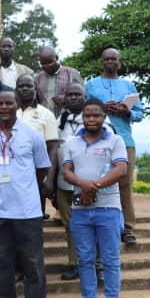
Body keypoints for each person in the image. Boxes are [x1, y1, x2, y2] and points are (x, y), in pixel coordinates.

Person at [0, 90, 51, 298]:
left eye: (9, 103)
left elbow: (41, 170)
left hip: (27, 211)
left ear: (17, 105)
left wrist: (24, 188)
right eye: (0, 103)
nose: (4, 107)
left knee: (32, 263)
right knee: (2, 264)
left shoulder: (32, 136)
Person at [63, 98, 128, 298]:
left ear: (103, 117)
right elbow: (67, 170)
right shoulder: (72, 142)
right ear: (82, 116)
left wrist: (94, 187)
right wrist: (83, 185)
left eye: (96, 115)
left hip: (108, 209)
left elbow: (121, 169)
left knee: (110, 261)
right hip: (80, 211)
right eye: (87, 115)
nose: (91, 119)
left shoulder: (115, 140)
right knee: (85, 261)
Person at [48, 83, 111, 281]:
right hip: (65, 183)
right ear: (65, 98)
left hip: (93, 184)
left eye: (78, 94)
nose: (74, 98)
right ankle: (74, 263)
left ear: (84, 97)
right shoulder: (61, 119)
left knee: (96, 222)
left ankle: (98, 266)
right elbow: (55, 150)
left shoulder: (98, 120)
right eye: (70, 95)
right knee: (71, 225)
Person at [86, 48, 143, 245]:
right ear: (102, 62)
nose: (110, 62)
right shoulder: (91, 84)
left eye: (114, 59)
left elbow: (140, 113)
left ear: (119, 62)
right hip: (97, 140)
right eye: (107, 59)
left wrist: (126, 111)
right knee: (98, 183)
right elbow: (85, 111)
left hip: (125, 140)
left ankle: (127, 229)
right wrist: (103, 108)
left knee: (125, 185)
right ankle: (100, 226)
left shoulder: (128, 85)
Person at [15, 74, 58, 218]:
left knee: (35, 219)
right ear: (16, 89)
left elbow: (52, 148)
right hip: (12, 175)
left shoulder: (46, 114)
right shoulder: (8, 112)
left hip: (36, 175)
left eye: (29, 86)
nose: (25, 89)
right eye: (21, 86)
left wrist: (49, 179)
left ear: (35, 89)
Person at [35, 46, 83, 118]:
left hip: (67, 121)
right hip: (44, 120)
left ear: (56, 58)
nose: (47, 66)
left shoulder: (72, 73)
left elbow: (84, 95)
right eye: (43, 64)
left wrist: (67, 98)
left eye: (50, 63)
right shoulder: (38, 77)